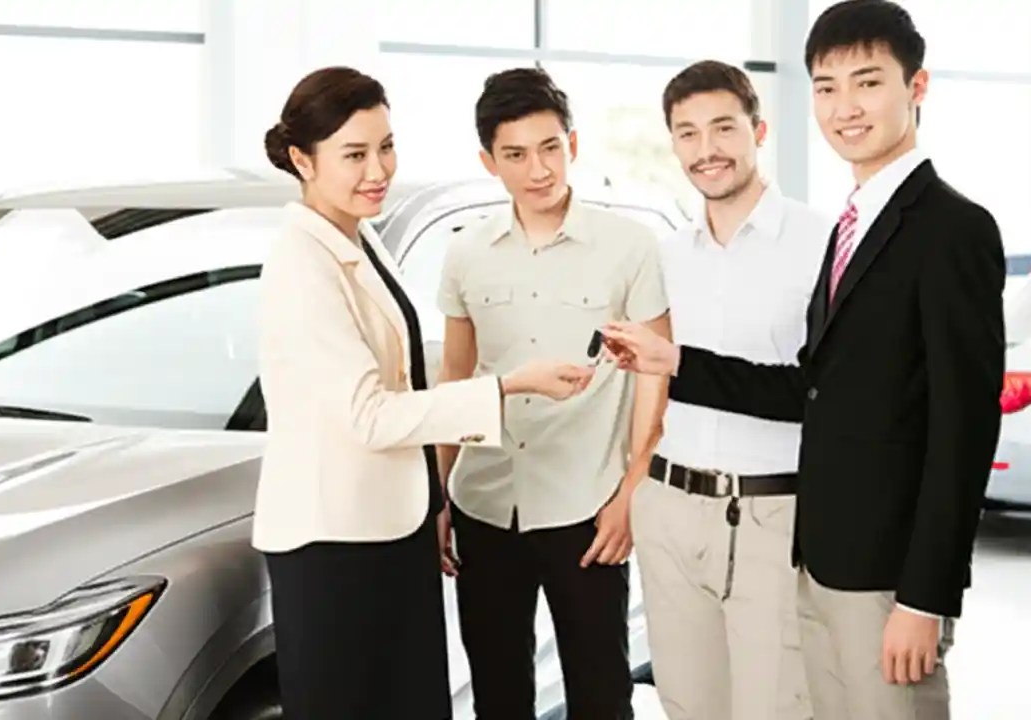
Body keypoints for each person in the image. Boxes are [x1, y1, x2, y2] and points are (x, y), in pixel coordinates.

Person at [601, 3, 1005, 719]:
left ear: (917, 86)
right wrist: (676, 362)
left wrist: (925, 597)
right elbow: (816, 390)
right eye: (826, 86)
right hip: (822, 558)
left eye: (867, 82)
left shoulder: (951, 228)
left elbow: (964, 431)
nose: (845, 107)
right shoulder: (858, 224)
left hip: (885, 574)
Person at [252, 66, 595, 720]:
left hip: (388, 531)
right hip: (336, 547)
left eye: (386, 146)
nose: (377, 169)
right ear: (302, 159)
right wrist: (509, 387)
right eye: (354, 154)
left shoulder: (357, 235)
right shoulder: (301, 264)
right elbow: (369, 415)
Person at [435, 67, 669, 719]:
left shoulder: (630, 246)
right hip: (485, 502)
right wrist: (439, 495)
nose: (537, 170)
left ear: (573, 144)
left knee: (600, 693)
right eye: (515, 155)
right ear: (489, 161)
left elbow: (656, 376)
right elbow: (456, 378)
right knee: (498, 693)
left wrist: (631, 496)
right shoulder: (466, 252)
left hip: (587, 507)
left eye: (549, 148)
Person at [632, 59, 825, 720]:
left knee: (778, 708)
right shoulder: (667, 254)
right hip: (671, 508)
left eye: (722, 128)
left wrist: (679, 361)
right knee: (688, 706)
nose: (706, 149)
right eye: (687, 133)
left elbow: (822, 391)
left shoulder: (820, 243)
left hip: (774, 513)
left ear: (758, 130)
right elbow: (649, 394)